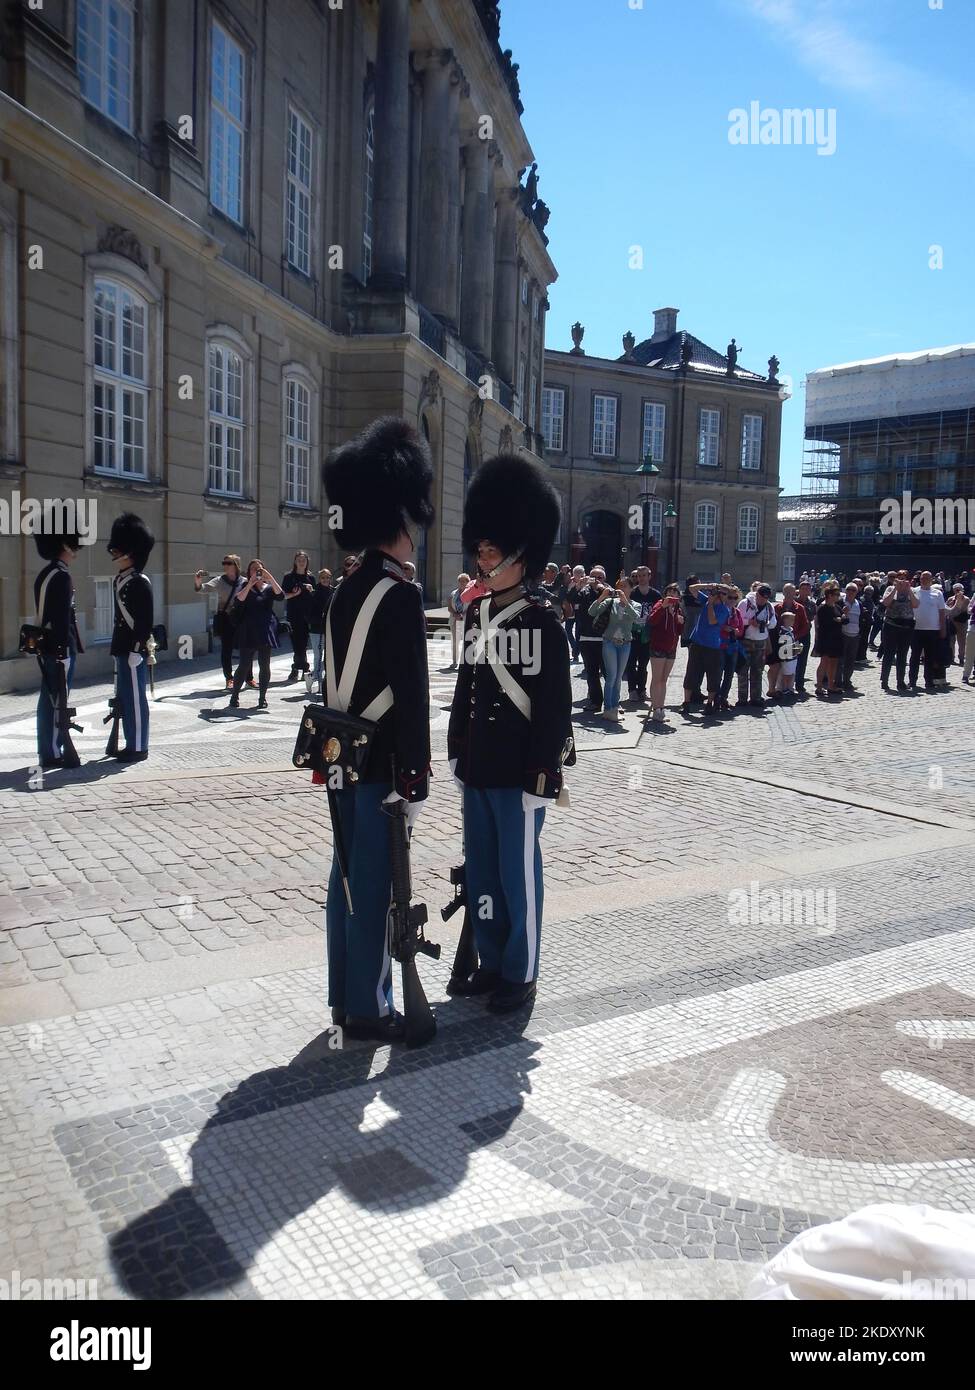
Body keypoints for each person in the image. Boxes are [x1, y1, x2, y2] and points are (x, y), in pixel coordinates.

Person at [320, 416, 434, 1041]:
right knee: (371, 881)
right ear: (398, 520)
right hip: (381, 759)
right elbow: (411, 694)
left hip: (341, 753)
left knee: (343, 878)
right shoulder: (399, 595)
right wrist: (414, 771)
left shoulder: (346, 590)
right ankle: (368, 1008)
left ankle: (343, 994)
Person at [448, 453, 572, 1012]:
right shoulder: (477, 618)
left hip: (518, 770)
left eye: (493, 550)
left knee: (516, 876)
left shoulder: (542, 623)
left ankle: (521, 972)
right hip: (479, 765)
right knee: (483, 875)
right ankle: (492, 961)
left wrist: (542, 773)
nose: (483, 557)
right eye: (481, 548)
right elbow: (467, 686)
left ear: (522, 554)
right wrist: (455, 747)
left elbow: (553, 709)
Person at [33, 519, 83, 769]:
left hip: (46, 644)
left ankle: (47, 747)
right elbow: (62, 618)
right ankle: (52, 751)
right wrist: (63, 650)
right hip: (59, 647)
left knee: (48, 699)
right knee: (56, 701)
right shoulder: (61, 576)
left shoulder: (45, 573)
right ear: (65, 543)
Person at [107, 513, 154, 761]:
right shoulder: (121, 580)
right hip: (122, 647)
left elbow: (144, 621)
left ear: (131, 552)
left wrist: (137, 649)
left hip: (133, 650)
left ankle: (138, 745)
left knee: (136, 699)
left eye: (119, 549)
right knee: (126, 697)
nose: (114, 553)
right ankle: (130, 741)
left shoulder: (139, 582)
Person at [229, 561, 285, 708]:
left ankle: (262, 698)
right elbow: (238, 600)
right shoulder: (244, 586)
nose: (256, 571)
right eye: (253, 569)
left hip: (265, 631)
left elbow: (281, 596)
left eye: (259, 569)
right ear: (249, 571)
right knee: (244, 665)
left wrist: (270, 578)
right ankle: (234, 696)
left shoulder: (268, 588)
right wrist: (250, 583)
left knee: (264, 665)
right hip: (248, 631)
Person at [588, 575, 642, 722]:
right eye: (620, 586)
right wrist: (602, 597)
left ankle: (614, 706)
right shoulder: (611, 602)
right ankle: (608, 708)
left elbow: (636, 617)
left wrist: (625, 601)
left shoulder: (635, 604)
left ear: (631, 588)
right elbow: (592, 612)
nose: (621, 589)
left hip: (625, 643)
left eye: (625, 586)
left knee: (618, 677)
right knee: (611, 676)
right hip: (609, 642)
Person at [195, 555, 246, 689]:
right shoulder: (219, 580)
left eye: (229, 563)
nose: (226, 565)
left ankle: (248, 677)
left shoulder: (244, 581)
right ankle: (229, 678)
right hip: (226, 619)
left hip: (241, 619)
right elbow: (202, 589)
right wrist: (198, 581)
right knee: (227, 649)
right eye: (224, 563)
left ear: (236, 565)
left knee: (246, 648)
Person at [682, 582, 730, 717]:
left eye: (725, 594)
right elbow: (691, 588)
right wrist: (708, 586)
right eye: (720, 592)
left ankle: (709, 703)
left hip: (712, 646)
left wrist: (709, 604)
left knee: (712, 676)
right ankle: (686, 703)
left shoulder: (724, 610)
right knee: (691, 673)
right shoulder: (707, 599)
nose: (722, 596)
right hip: (697, 642)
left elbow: (712, 621)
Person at [646, 583, 683, 722]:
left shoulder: (678, 609)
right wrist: (663, 607)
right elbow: (652, 620)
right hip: (658, 646)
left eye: (675, 593)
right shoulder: (659, 604)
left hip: (671, 648)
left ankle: (661, 707)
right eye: (670, 593)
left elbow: (678, 631)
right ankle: (656, 709)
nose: (672, 596)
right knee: (657, 678)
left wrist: (680, 621)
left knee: (663, 680)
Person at [625, 566, 661, 703]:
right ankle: (632, 690)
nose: (641, 578)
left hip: (647, 634)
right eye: (639, 576)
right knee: (631, 663)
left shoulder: (655, 595)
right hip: (632, 632)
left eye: (644, 575)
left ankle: (642, 690)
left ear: (649, 576)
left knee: (643, 664)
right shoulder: (632, 593)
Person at [737, 584, 777, 706]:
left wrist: (765, 623)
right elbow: (737, 619)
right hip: (746, 641)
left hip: (761, 641)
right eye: (761, 597)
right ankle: (742, 699)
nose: (763, 600)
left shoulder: (769, 606)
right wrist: (749, 621)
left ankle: (756, 698)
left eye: (766, 598)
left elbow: (773, 623)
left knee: (758, 670)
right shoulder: (745, 603)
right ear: (757, 594)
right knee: (743, 671)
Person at [574, 567, 608, 713]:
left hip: (605, 638)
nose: (596, 580)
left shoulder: (608, 591)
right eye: (593, 576)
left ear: (604, 579)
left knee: (609, 673)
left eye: (599, 577)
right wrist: (577, 586)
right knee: (592, 673)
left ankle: (612, 702)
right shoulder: (583, 591)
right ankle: (595, 702)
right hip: (586, 637)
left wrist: (601, 589)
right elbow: (571, 601)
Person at [879, 571, 918, 692]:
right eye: (899, 578)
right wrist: (896, 589)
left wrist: (909, 590)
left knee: (903, 655)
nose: (901, 581)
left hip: (906, 627)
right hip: (891, 625)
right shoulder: (890, 588)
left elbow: (916, 604)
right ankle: (884, 680)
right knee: (889, 654)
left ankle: (900, 681)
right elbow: (886, 603)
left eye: (904, 579)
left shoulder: (912, 590)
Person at [909, 571, 947, 692]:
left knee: (930, 657)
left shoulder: (938, 593)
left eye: (926, 578)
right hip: (916, 629)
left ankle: (929, 681)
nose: (923, 580)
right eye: (922, 578)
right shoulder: (914, 591)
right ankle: (912, 681)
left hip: (933, 630)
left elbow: (942, 613)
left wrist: (943, 629)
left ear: (931, 580)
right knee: (914, 657)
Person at [282, 550, 316, 682]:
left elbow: (314, 597)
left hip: (307, 615)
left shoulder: (311, 578)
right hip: (293, 614)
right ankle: (302, 668)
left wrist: (311, 590)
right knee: (296, 643)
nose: (301, 562)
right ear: (295, 562)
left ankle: (298, 668)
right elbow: (283, 595)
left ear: (307, 562)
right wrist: (295, 593)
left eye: (304, 560)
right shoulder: (289, 577)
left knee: (304, 643)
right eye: (299, 560)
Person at [812, 581, 843, 699]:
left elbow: (844, 620)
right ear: (830, 595)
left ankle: (831, 685)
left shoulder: (837, 607)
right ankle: (819, 686)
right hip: (825, 639)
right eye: (836, 594)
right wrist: (838, 620)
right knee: (824, 662)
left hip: (836, 639)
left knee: (834, 662)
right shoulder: (822, 608)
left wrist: (841, 619)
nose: (838, 596)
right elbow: (825, 622)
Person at [306, 568, 333, 696]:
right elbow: (310, 612)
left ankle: (314, 676)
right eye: (323, 578)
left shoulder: (333, 591)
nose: (325, 580)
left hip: (329, 629)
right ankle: (316, 679)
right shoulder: (315, 593)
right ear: (319, 579)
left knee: (328, 656)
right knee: (318, 656)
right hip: (317, 629)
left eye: (327, 577)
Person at [717, 586, 744, 713]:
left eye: (735, 597)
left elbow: (741, 629)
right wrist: (724, 628)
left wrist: (736, 631)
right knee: (718, 673)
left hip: (733, 646)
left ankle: (724, 697)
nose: (732, 600)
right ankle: (715, 697)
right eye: (730, 597)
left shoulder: (737, 612)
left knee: (729, 674)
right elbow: (715, 625)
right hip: (720, 645)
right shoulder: (720, 609)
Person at [767, 609, 801, 700]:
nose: (793, 622)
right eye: (791, 619)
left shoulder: (790, 630)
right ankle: (784, 688)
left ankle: (790, 687)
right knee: (786, 673)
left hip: (793, 656)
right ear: (785, 620)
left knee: (792, 672)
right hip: (787, 657)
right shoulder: (782, 632)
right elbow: (783, 647)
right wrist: (789, 654)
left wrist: (796, 648)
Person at [839, 582, 861, 691]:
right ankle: (838, 682)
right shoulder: (840, 602)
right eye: (849, 590)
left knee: (850, 661)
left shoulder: (859, 603)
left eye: (853, 590)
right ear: (845, 591)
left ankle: (847, 681)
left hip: (855, 635)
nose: (851, 592)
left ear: (857, 592)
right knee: (840, 660)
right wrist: (842, 614)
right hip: (843, 635)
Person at [563, 565, 587, 662]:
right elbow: (567, 596)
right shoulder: (570, 582)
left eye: (580, 574)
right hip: (571, 610)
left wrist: (581, 585)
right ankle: (574, 647)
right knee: (568, 630)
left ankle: (576, 653)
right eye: (576, 574)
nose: (578, 576)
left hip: (580, 611)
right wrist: (571, 587)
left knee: (578, 632)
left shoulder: (586, 582)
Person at [448, 573, 470, 670]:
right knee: (455, 642)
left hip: (466, 619)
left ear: (468, 582)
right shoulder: (453, 593)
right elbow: (449, 606)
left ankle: (464, 662)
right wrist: (455, 614)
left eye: (464, 581)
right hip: (454, 619)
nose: (462, 583)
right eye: (460, 581)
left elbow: (471, 606)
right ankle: (454, 661)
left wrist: (463, 614)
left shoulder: (470, 593)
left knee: (466, 641)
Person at [946, 584, 970, 667]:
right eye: (956, 590)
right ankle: (951, 658)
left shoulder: (966, 599)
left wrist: (957, 602)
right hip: (952, 622)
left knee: (961, 642)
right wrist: (953, 602)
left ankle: (961, 658)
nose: (957, 591)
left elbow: (960, 610)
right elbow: (948, 609)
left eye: (959, 590)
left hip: (961, 623)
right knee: (951, 641)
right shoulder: (950, 599)